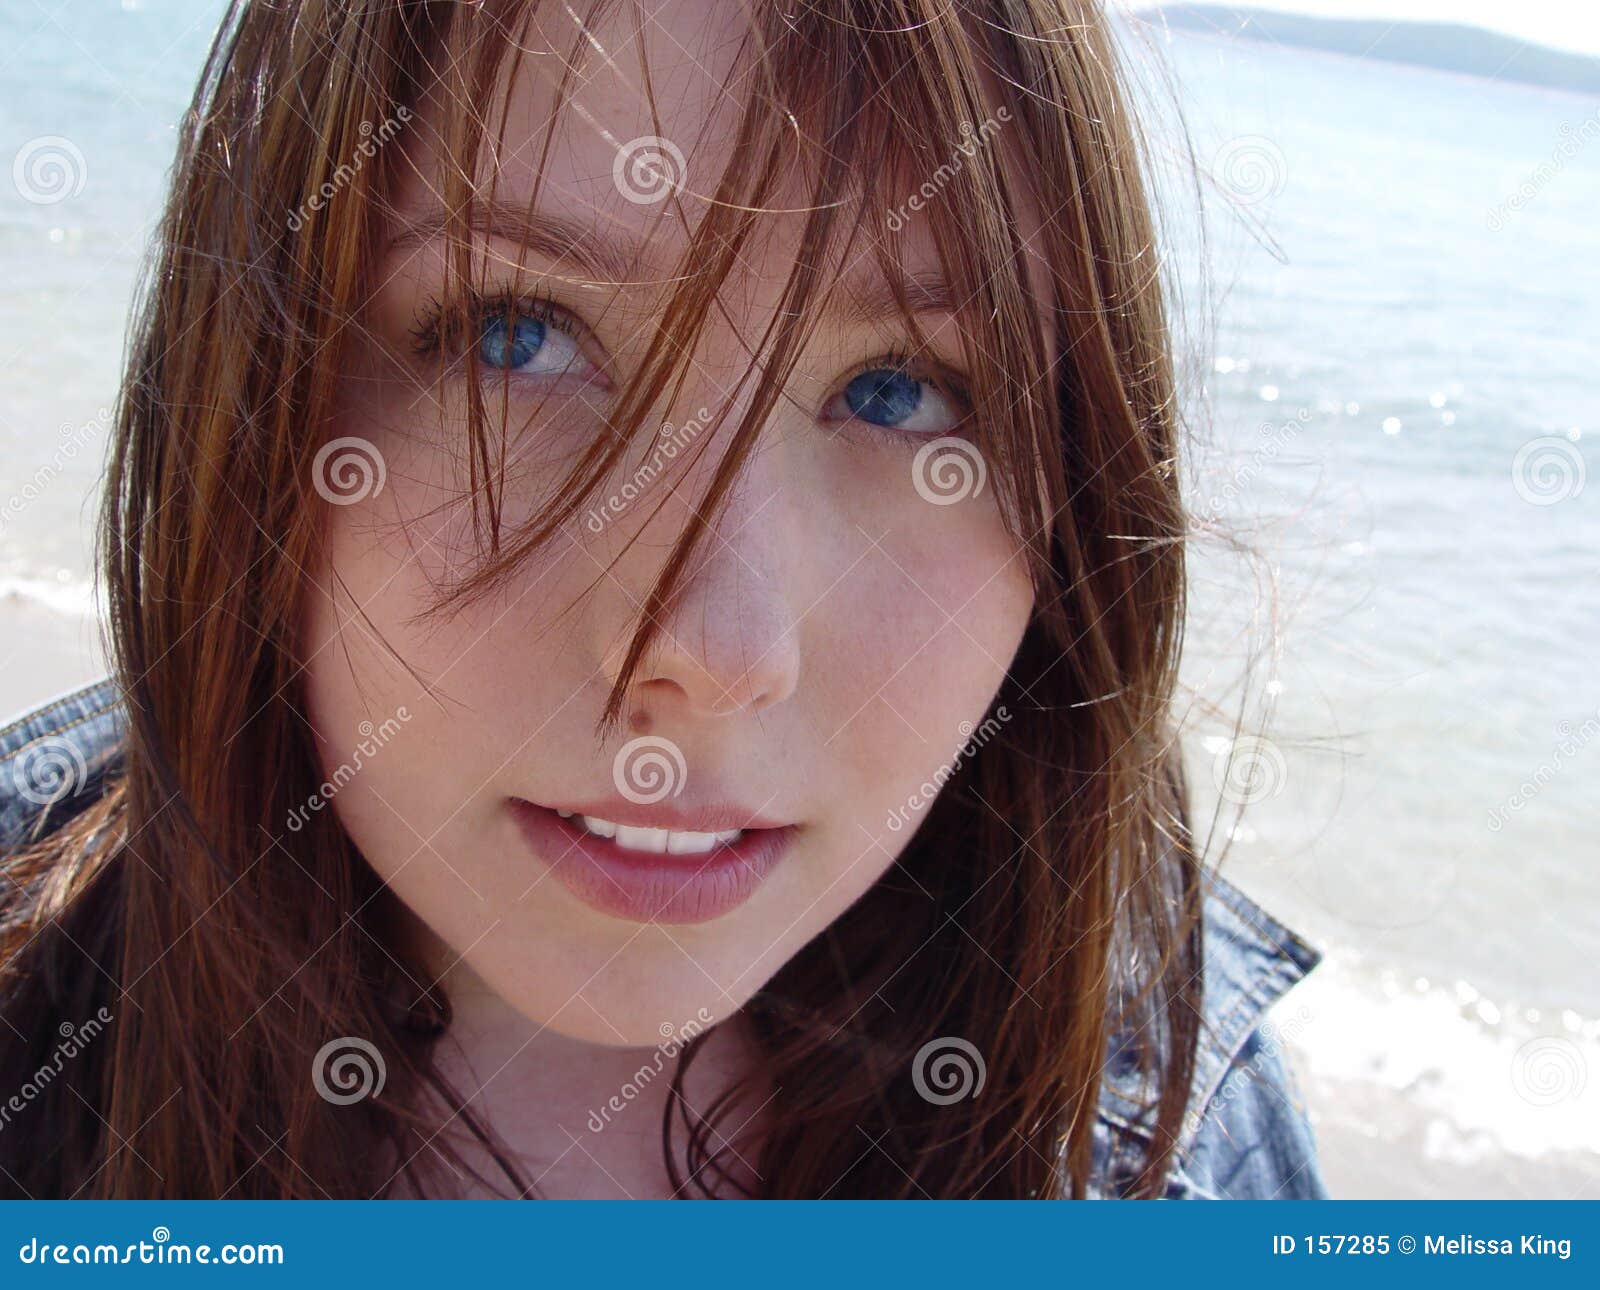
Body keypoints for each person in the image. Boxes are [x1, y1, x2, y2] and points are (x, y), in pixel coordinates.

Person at [0, 0, 1325, 1199]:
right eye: (514, 335)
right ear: (246, 399)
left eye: (899, 390)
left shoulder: (1185, 1137)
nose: (715, 650)